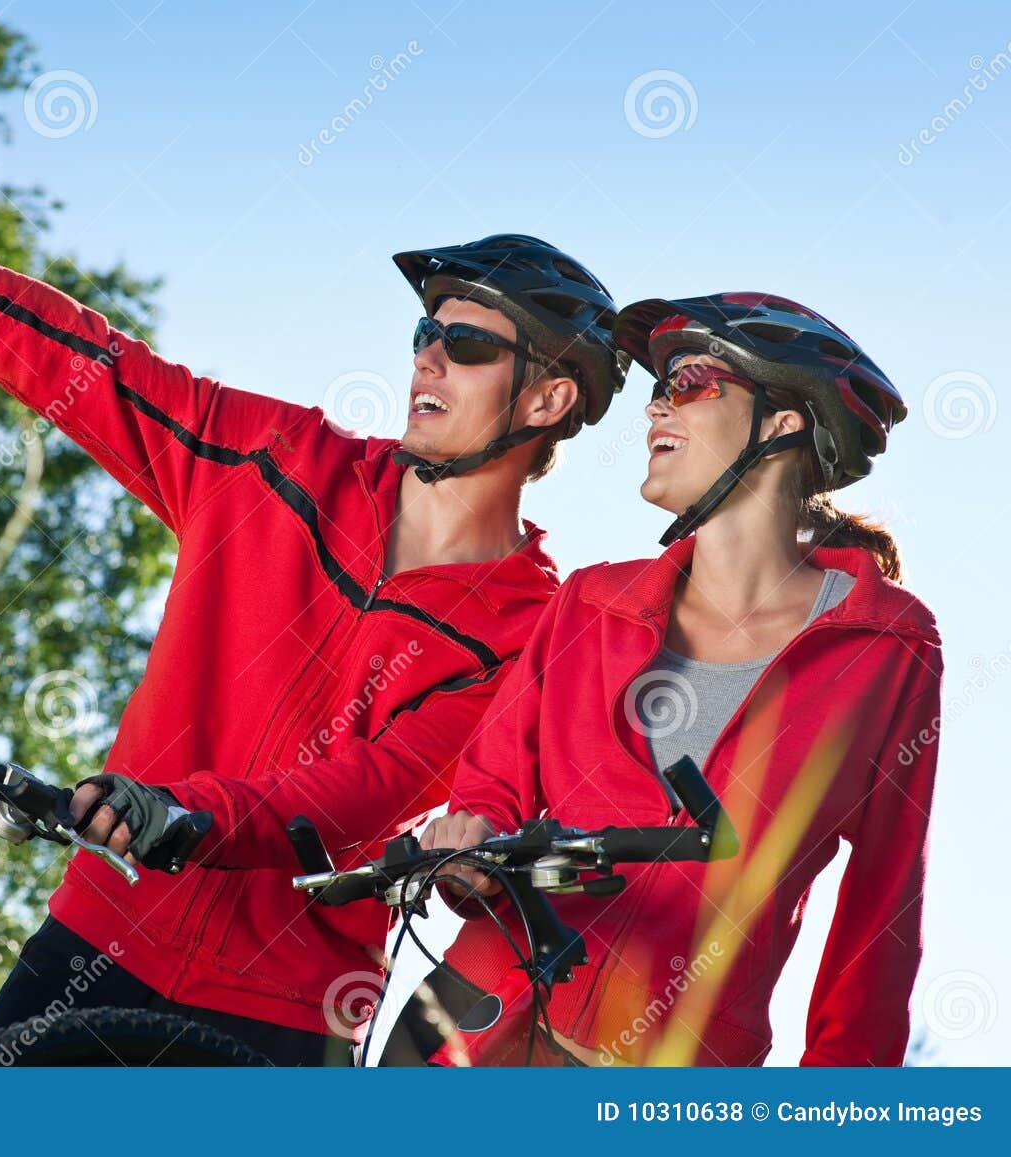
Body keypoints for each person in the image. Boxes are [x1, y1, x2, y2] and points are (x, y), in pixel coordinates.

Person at [0, 136, 626, 1063]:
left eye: (466, 343)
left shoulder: (518, 632)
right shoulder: (277, 462)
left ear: (547, 400)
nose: (429, 358)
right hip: (99, 938)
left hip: (284, 1011)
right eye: (425, 334)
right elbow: (85, 364)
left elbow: (362, 794)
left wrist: (184, 815)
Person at [387, 291, 941, 1066]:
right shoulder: (590, 603)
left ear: (783, 422)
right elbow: (491, 794)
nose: (655, 410)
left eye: (690, 383)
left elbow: (882, 916)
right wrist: (468, 841)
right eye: (655, 388)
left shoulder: (887, 647)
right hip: (464, 1028)